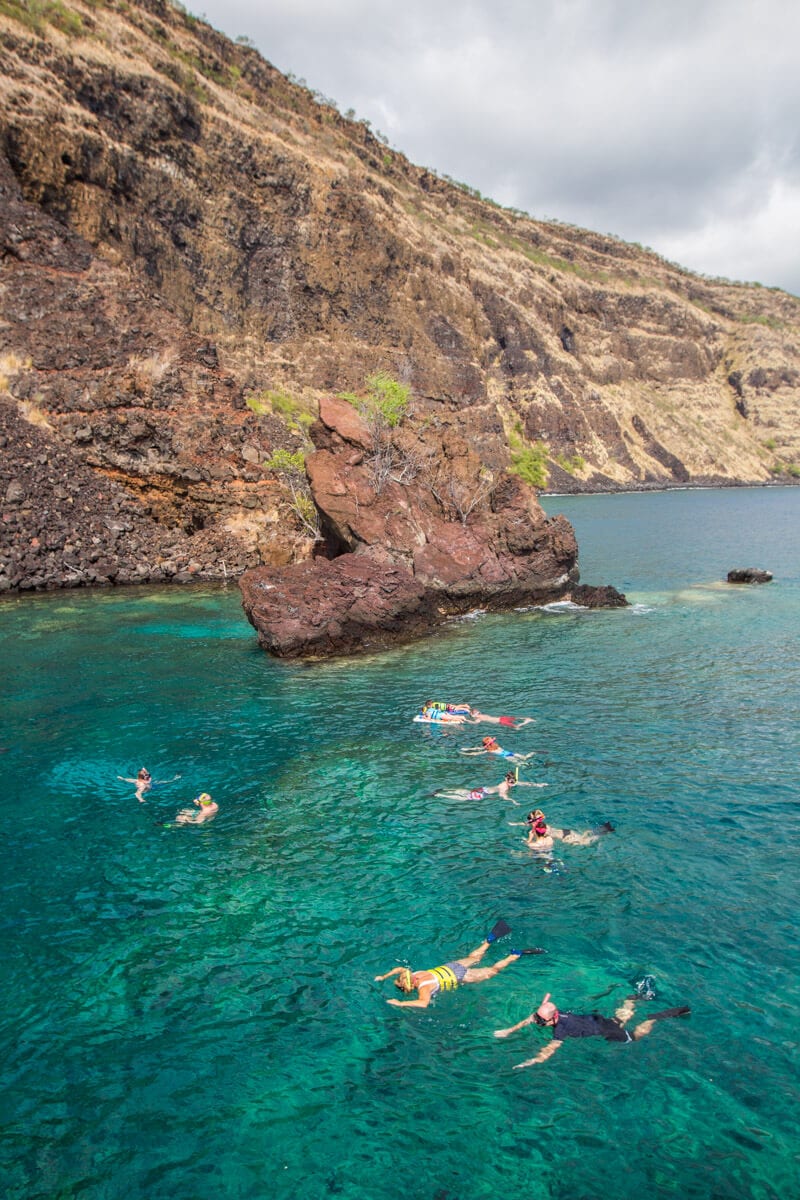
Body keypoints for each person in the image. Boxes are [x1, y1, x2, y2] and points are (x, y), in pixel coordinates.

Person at [494, 990, 690, 1068]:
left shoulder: (561, 1028)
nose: (536, 1021)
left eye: (540, 1020)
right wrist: (509, 1030)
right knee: (617, 1018)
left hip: (606, 1031)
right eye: (537, 1017)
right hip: (597, 1020)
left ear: (553, 1018)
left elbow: (548, 1052)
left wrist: (528, 1063)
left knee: (635, 1036)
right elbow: (532, 1017)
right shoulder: (555, 1014)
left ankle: (656, 1017)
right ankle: (633, 999)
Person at [375, 921, 543, 1009]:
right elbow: (399, 969)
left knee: (493, 970)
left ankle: (514, 955)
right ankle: (489, 940)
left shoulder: (423, 988)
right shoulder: (413, 973)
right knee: (474, 957)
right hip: (450, 967)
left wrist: (401, 1003)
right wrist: (384, 976)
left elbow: (423, 1003)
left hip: (459, 975)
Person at [434, 772, 546, 805]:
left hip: (484, 789)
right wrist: (513, 801)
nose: (513, 783)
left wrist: (537, 785)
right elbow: (503, 795)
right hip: (483, 794)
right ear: (507, 780)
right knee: (464, 798)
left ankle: (444, 789)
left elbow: (522, 783)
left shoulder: (507, 783)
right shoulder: (504, 787)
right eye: (511, 782)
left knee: (465, 792)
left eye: (514, 782)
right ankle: (440, 794)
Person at [523, 809, 613, 849]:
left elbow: (536, 841)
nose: (529, 822)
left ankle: (604, 831)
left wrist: (528, 839)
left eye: (531, 820)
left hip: (566, 837)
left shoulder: (537, 830)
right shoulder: (543, 825)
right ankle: (602, 829)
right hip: (566, 832)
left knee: (585, 842)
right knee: (583, 837)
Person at [460, 736, 536, 763]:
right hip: (511, 753)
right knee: (525, 758)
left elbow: (476, 752)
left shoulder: (488, 750)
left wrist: (466, 753)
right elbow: (478, 749)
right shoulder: (497, 746)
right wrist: (467, 749)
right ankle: (532, 753)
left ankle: (530, 763)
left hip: (507, 756)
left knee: (521, 764)